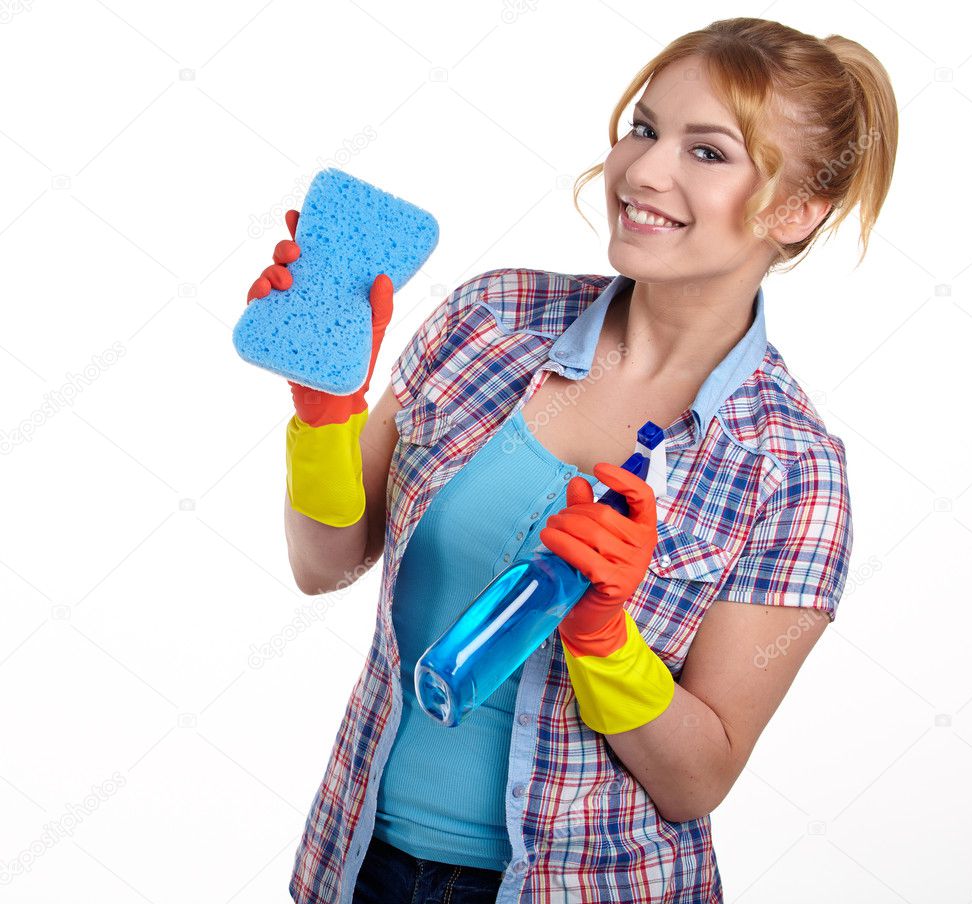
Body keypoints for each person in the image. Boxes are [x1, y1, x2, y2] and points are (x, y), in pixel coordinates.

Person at [251, 16, 897, 904]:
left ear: (795, 210)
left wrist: (602, 638)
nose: (644, 170)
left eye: (706, 152)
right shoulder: (491, 317)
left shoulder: (791, 469)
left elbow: (695, 779)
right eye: (644, 128)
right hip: (355, 864)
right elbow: (323, 563)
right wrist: (326, 412)